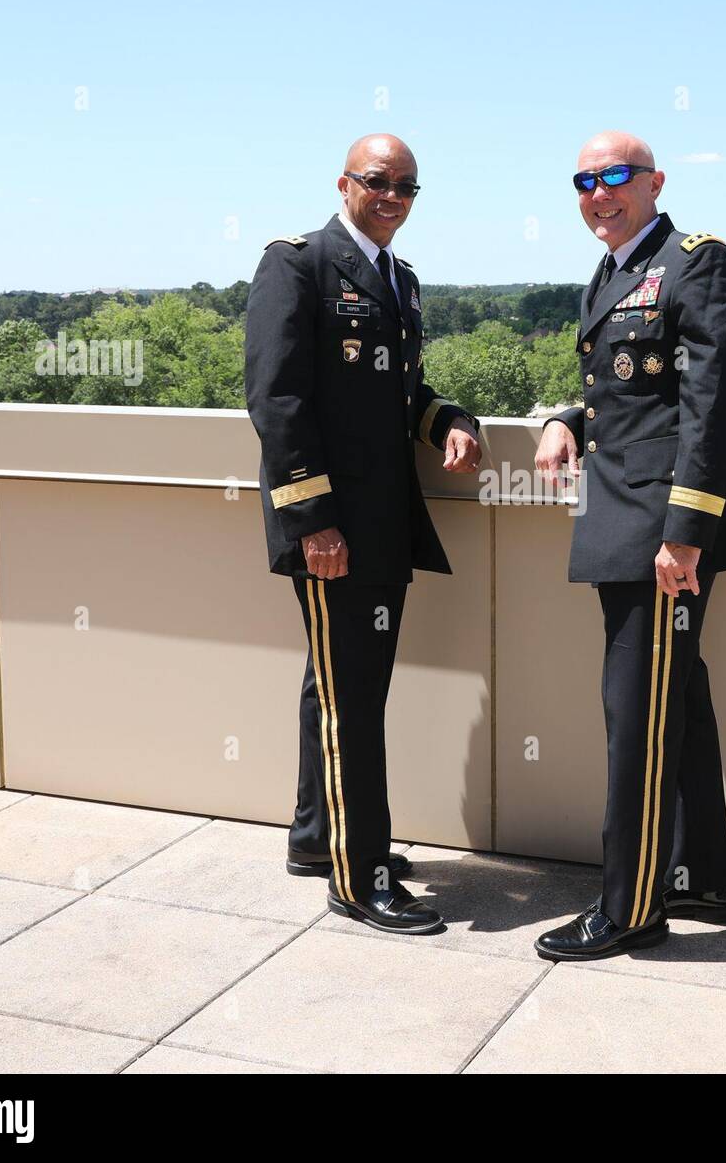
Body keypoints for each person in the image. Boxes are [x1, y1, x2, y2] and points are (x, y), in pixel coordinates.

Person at [532, 130, 726, 961]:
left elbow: (715, 406)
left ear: (653, 181)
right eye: (583, 181)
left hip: (663, 537)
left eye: (614, 177)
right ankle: (700, 873)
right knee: (677, 700)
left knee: (634, 713)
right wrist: (566, 419)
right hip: (624, 518)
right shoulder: (612, 274)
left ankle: (630, 905)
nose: (598, 193)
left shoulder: (695, 262)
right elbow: (625, 395)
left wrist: (686, 536)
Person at [245, 133, 481, 935]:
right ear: (344, 182)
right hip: (333, 527)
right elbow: (277, 401)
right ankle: (360, 875)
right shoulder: (298, 263)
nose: (393, 197)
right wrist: (312, 522)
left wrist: (446, 417)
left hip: (383, 521)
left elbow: (397, 389)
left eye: (408, 187)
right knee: (353, 701)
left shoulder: (398, 278)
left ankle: (321, 839)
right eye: (379, 182)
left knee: (340, 685)